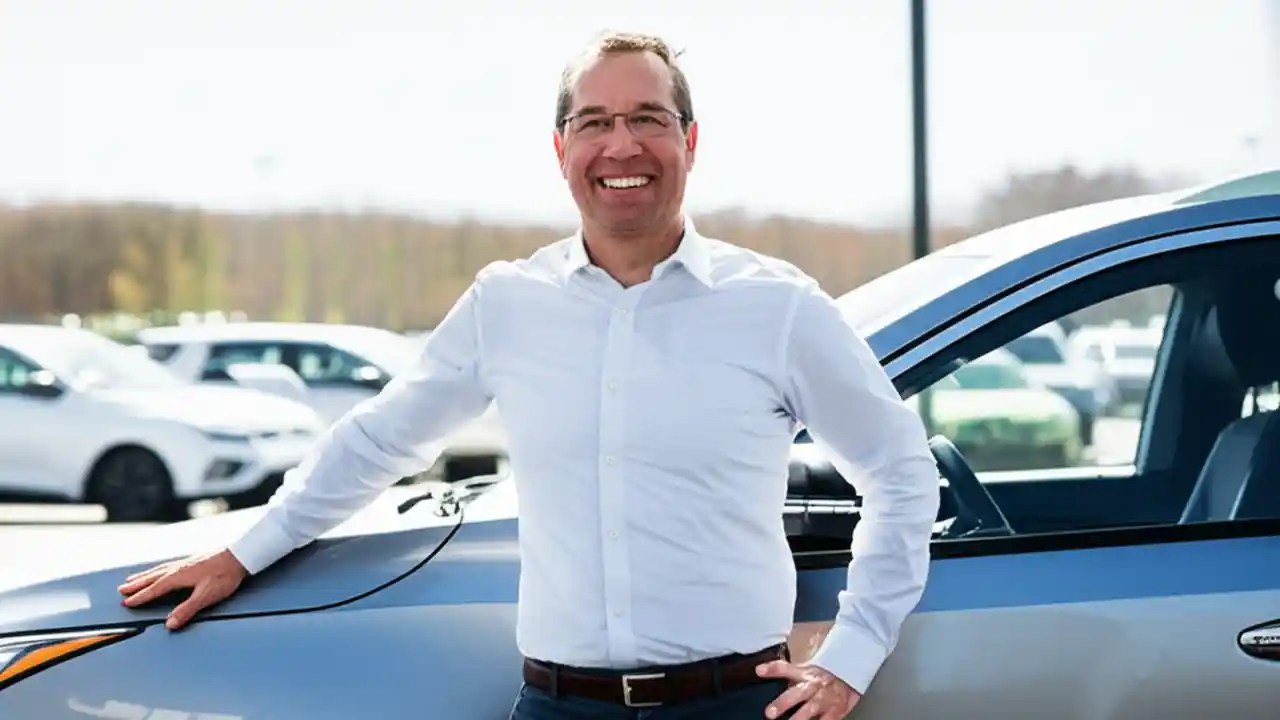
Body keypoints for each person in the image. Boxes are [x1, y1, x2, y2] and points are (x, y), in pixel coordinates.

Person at [119, 31, 940, 720]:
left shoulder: (778, 307)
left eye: (648, 118)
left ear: (690, 141)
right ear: (561, 149)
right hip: (557, 705)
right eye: (595, 122)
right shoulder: (507, 304)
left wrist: (852, 656)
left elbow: (902, 472)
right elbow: (378, 442)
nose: (622, 145)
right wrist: (244, 553)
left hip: (732, 704)